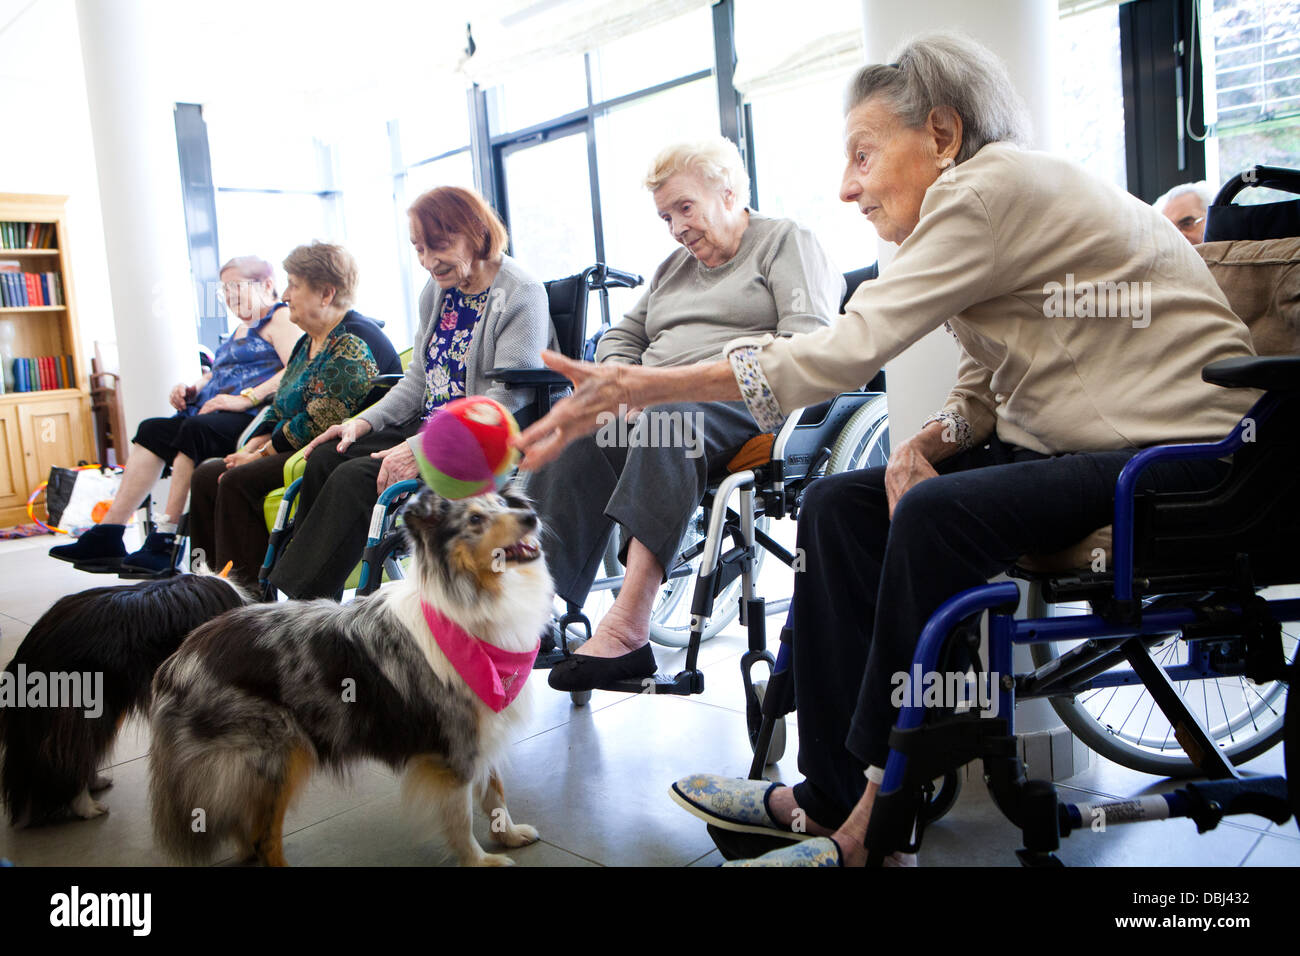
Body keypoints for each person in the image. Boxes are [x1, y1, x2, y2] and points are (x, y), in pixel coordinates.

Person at [513, 34, 1258, 866]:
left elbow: (841, 351)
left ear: (941, 134)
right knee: (842, 505)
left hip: (1191, 457)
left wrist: (647, 388)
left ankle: (876, 814)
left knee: (934, 515)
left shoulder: (985, 190)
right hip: (1085, 452)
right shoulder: (988, 202)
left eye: (863, 155)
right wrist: (925, 441)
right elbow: (986, 369)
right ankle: (828, 793)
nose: (846, 186)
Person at [525, 136, 842, 692]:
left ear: (728, 193)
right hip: (657, 397)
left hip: (740, 399)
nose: (675, 228)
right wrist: (623, 381)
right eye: (665, 216)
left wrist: (686, 379)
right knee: (577, 430)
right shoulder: (674, 267)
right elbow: (620, 334)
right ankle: (538, 608)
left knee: (668, 421)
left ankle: (629, 627)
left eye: (684, 209)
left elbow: (810, 342)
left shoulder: (786, 242)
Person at [265, 186, 552, 600]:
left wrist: (420, 449)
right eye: (418, 248)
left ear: (475, 232)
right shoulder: (437, 291)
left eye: (439, 246)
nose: (427, 261)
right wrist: (361, 423)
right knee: (332, 455)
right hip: (430, 429)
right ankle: (310, 603)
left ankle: (303, 607)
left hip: (485, 442)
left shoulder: (520, 292)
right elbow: (418, 379)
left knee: (356, 480)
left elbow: (503, 403)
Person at [49, 255, 299, 575]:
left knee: (193, 429)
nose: (230, 298)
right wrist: (193, 387)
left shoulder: (279, 320)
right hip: (212, 412)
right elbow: (218, 374)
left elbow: (293, 370)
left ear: (267, 284)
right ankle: (110, 532)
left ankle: (166, 537)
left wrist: (244, 398)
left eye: (236, 289)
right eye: (224, 291)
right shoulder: (239, 329)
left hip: (249, 418)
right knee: (152, 429)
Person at [187, 242, 389, 586]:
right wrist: (252, 447)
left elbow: (320, 420)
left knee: (237, 482)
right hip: (293, 447)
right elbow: (280, 405)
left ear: (326, 293)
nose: (284, 294)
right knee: (206, 474)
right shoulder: (309, 340)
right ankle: (208, 592)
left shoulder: (354, 341)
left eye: (294, 284)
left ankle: (247, 601)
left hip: (331, 452)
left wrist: (260, 455)